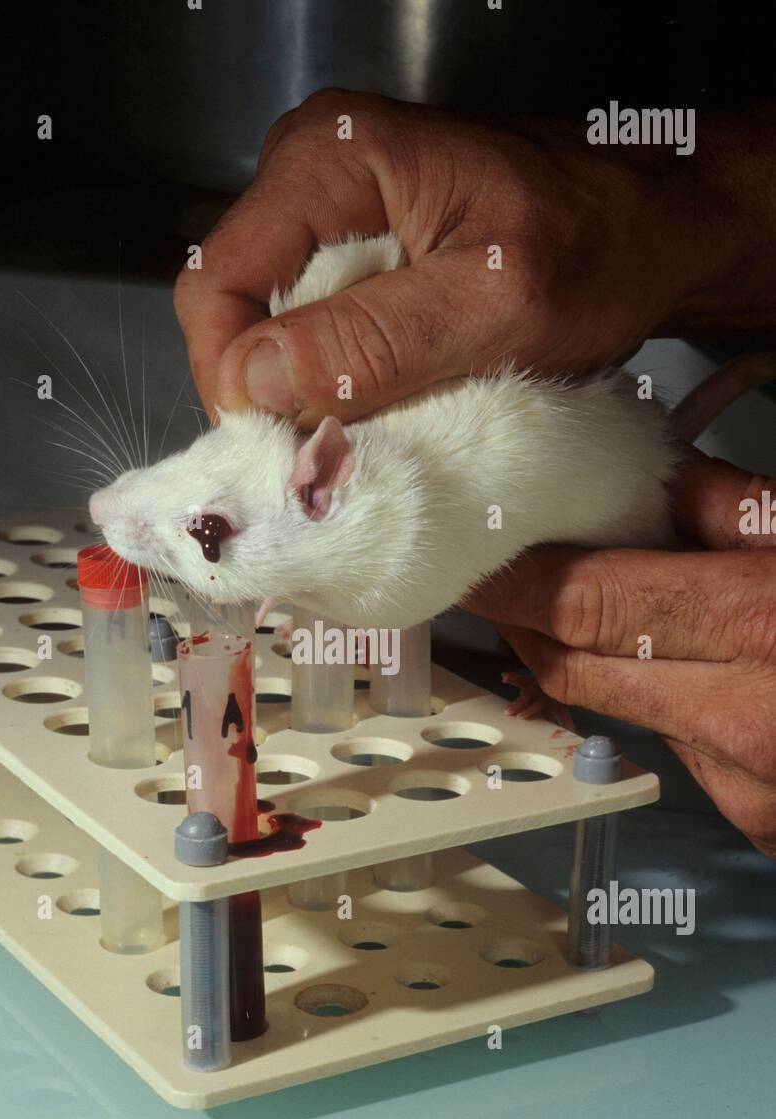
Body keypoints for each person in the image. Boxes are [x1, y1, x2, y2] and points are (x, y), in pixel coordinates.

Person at [175, 90, 776, 856]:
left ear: (318, 483)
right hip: (574, 438)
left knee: (586, 601)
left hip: (614, 475)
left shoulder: (372, 530)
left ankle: (546, 671)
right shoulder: (340, 505)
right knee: (553, 604)